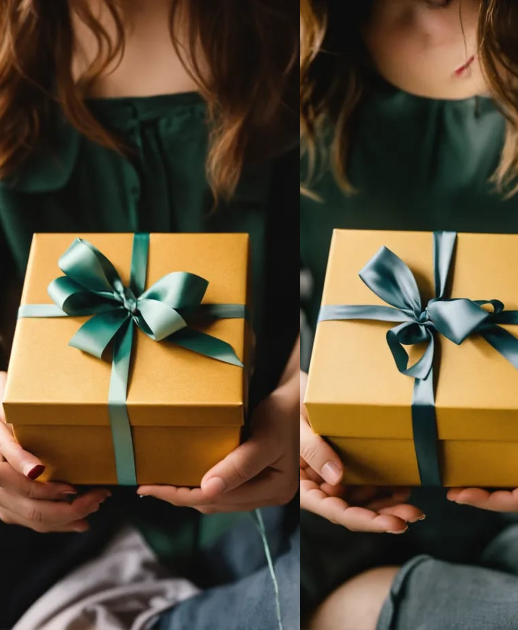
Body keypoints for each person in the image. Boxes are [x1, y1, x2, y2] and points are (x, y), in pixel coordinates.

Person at [295, 1, 518, 628]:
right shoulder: (291, 44)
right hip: (338, 470)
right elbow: (255, 277)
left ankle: (373, 608)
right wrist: (288, 393)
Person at [0, 1, 300, 629]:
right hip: (57, 525)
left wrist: (303, 393)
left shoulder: (293, 33)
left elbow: (338, 263)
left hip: (271, 485)